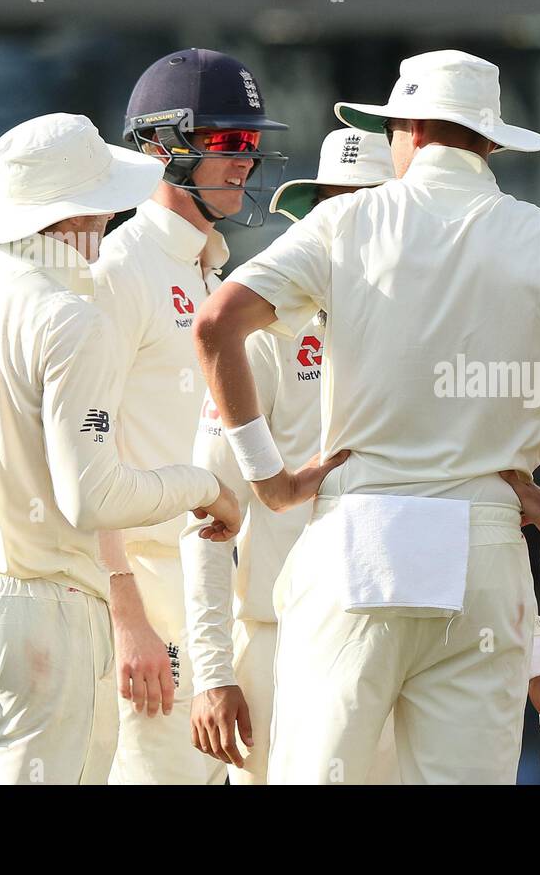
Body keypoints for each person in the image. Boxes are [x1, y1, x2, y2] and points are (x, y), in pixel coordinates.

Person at [193, 49, 540, 784]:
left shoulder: (348, 222)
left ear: (412, 129)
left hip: (360, 537)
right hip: (485, 554)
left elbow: (215, 325)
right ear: (487, 141)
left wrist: (270, 479)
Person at [0, 113, 242, 785]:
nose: (105, 229)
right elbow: (90, 496)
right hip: (43, 615)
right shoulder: (70, 316)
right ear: (74, 216)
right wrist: (202, 485)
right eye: (102, 211)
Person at [93, 47, 289, 785]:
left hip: (215, 605)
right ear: (160, 147)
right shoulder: (119, 269)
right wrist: (128, 621)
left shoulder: (216, 269)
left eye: (251, 143)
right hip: (149, 607)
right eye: (227, 142)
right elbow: (79, 454)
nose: (245, 160)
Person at [183, 128, 400, 784]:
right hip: (286, 644)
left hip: (407, 643)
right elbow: (207, 514)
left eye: (365, 207)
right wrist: (215, 671)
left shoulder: (432, 322)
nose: (344, 224)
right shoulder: (267, 329)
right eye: (330, 206)